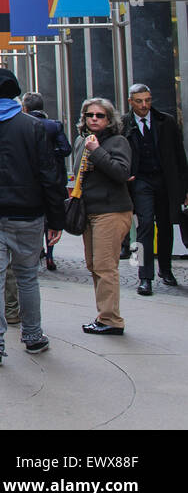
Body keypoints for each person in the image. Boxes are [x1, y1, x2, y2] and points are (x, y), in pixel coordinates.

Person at [0, 68, 65, 367]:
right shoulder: (33, 127)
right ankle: (33, 336)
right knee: (27, 275)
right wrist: (56, 218)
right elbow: (49, 175)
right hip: (27, 212)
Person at [71, 97, 133, 335]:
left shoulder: (117, 142)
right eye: (90, 115)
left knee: (106, 267)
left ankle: (111, 319)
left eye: (100, 116)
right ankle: (103, 315)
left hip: (112, 211)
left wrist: (96, 152)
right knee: (94, 265)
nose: (94, 119)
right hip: (89, 211)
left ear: (109, 119)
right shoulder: (82, 141)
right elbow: (78, 174)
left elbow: (121, 172)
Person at [122, 83, 187, 294]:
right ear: (131, 102)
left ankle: (165, 270)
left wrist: (184, 187)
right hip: (140, 180)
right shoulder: (124, 124)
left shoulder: (165, 121)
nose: (144, 105)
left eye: (148, 100)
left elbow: (179, 156)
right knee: (145, 225)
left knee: (166, 225)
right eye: (139, 101)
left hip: (165, 180)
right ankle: (144, 276)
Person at [23, 92, 72, 271]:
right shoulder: (53, 125)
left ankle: (37, 252)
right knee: (51, 215)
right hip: (54, 178)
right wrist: (51, 156)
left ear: (25, 108)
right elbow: (66, 149)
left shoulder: (24, 126)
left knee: (36, 217)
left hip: (31, 180)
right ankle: (50, 255)